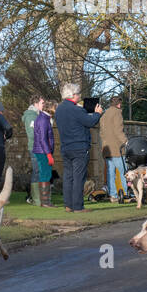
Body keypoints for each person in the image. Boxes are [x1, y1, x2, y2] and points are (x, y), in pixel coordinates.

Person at [53, 82, 101, 212]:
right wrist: (97, 113)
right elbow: (90, 122)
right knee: (79, 178)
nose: (80, 95)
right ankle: (78, 206)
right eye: (78, 93)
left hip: (65, 147)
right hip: (79, 147)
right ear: (73, 95)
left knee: (68, 177)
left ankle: (68, 205)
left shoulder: (59, 110)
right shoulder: (76, 109)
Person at [99, 95, 128, 203]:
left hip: (107, 149)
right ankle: (125, 194)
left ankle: (113, 195)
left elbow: (101, 133)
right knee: (123, 172)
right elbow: (118, 131)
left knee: (110, 173)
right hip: (117, 149)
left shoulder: (104, 114)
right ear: (119, 104)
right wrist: (126, 141)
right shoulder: (117, 113)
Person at [31, 97, 56, 207]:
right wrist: (49, 154)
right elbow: (42, 139)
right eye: (55, 108)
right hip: (42, 152)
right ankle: (45, 202)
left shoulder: (44, 118)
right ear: (51, 108)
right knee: (45, 174)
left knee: (46, 174)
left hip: (42, 151)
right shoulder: (42, 120)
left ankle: (45, 201)